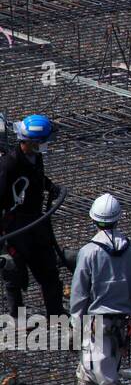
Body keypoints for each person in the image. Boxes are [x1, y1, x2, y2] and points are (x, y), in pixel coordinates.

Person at [65, 194, 131, 385]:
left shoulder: (88, 252)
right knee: (88, 369)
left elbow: (79, 294)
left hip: (97, 322)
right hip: (122, 323)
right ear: (118, 218)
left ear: (93, 219)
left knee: (103, 372)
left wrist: (74, 325)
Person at [1, 114, 64, 318]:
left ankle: (55, 314)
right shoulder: (8, 165)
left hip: (36, 222)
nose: (44, 146)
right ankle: (17, 317)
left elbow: (35, 176)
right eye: (41, 142)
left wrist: (49, 186)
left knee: (48, 270)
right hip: (15, 226)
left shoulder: (35, 157)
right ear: (29, 142)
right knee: (14, 273)